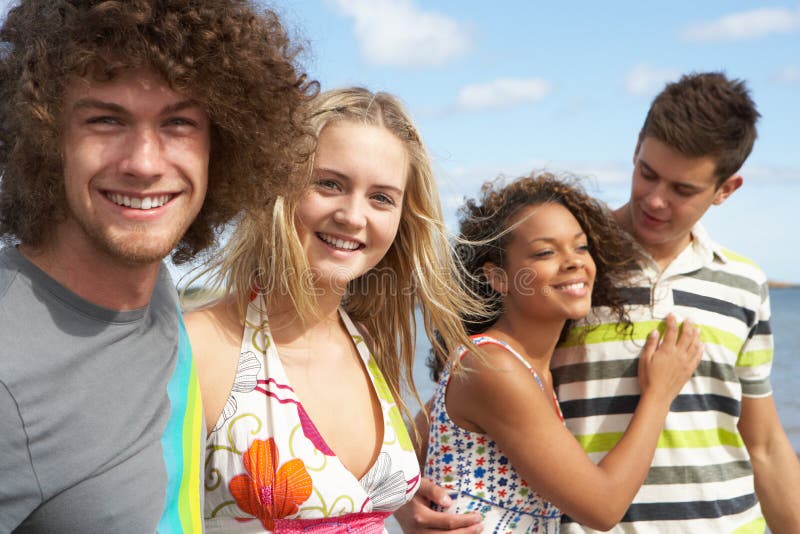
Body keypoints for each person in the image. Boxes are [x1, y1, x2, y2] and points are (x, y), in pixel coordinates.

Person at [0, 1, 312, 531]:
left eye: (179, 122)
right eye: (105, 119)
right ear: (48, 139)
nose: (144, 163)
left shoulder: (154, 291)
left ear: (223, 143)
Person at [184, 87, 482, 532]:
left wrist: (387, 509)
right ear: (278, 186)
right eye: (329, 184)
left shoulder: (366, 337)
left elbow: (335, 490)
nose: (352, 215)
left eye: (381, 197)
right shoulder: (198, 346)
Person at [551, 72, 800, 533]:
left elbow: (764, 444)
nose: (656, 200)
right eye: (647, 173)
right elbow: (488, 374)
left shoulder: (745, 283)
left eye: (683, 190)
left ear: (726, 189)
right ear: (636, 148)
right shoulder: (570, 264)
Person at [419, 174, 702, 532]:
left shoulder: (515, 364)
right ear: (498, 277)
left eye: (581, 247)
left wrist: (406, 498)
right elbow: (603, 507)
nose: (573, 262)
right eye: (545, 252)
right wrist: (660, 393)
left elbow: (407, 445)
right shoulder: (495, 368)